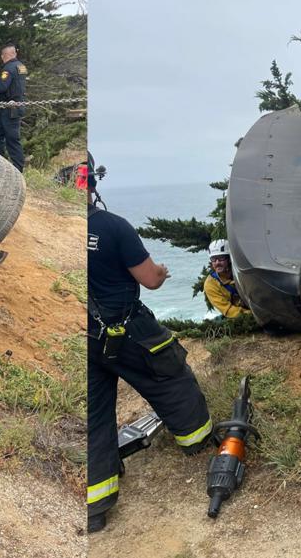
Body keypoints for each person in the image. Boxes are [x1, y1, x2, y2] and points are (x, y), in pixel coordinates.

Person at [86, 153, 212, 533]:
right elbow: (150, 279)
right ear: (93, 181)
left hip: (86, 336)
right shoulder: (112, 227)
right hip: (126, 329)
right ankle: (197, 439)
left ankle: (96, 504)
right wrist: (162, 270)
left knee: (94, 415)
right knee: (171, 375)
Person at [0, 42, 28, 172]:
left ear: (5, 55)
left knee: (12, 140)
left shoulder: (8, 68)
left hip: (11, 108)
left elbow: (2, 87)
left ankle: (17, 170)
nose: (2, 58)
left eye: (2, 56)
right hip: (14, 106)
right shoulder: (21, 67)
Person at [203, 239, 251, 319]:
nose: (217, 262)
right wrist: (251, 316)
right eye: (213, 259)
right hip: (241, 315)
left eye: (221, 258)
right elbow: (228, 310)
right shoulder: (211, 284)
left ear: (229, 258)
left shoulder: (243, 271)